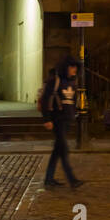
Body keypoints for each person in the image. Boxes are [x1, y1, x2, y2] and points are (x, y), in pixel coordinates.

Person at [39, 58, 83, 189]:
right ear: (65, 68)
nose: (74, 69)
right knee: (64, 150)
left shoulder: (72, 82)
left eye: (75, 67)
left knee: (57, 150)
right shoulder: (55, 81)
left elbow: (72, 100)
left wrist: (73, 114)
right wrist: (47, 119)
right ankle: (72, 179)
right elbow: (45, 100)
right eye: (71, 67)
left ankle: (49, 179)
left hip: (67, 120)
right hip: (57, 120)